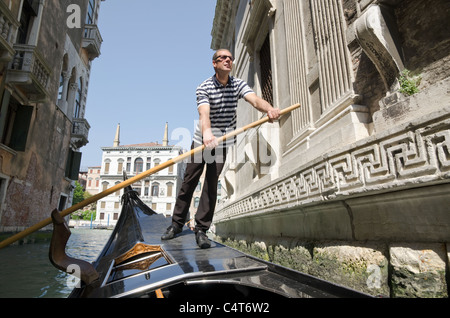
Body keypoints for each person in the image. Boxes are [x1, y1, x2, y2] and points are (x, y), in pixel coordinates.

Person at [161, 49, 281, 248]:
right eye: (222, 58)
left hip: (223, 141)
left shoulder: (238, 84)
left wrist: (269, 109)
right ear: (214, 63)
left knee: (210, 185)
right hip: (202, 140)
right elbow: (204, 114)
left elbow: (255, 100)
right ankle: (176, 224)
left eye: (230, 58)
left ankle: (201, 230)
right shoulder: (204, 87)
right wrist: (208, 134)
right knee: (189, 181)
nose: (228, 60)